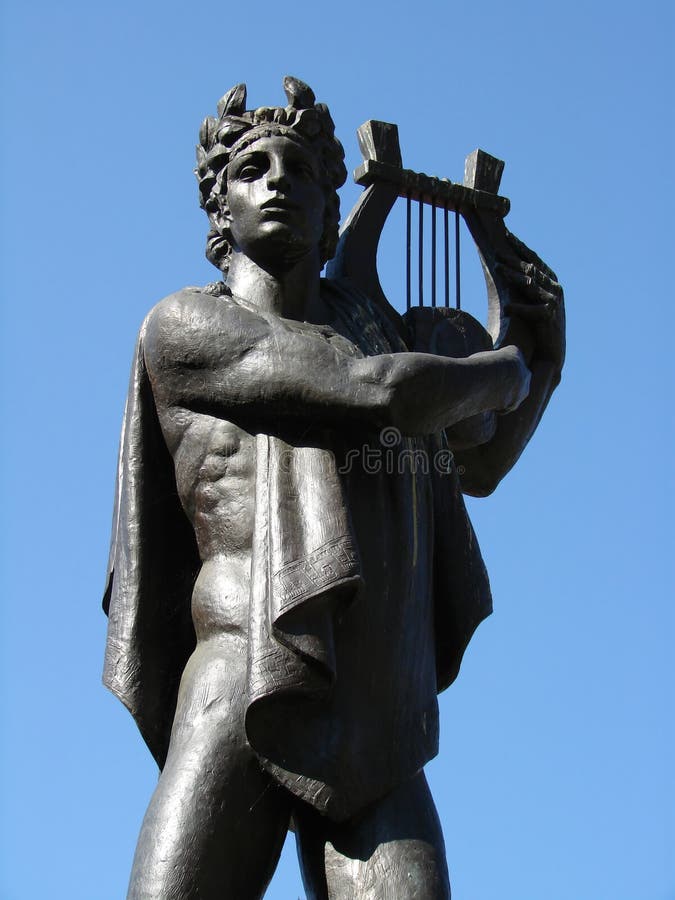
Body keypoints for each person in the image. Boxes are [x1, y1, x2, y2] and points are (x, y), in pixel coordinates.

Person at [103, 77, 564, 899]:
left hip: (374, 702)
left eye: (302, 172)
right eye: (252, 169)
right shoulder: (186, 326)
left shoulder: (372, 331)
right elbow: (377, 392)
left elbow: (478, 465)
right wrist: (503, 371)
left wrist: (544, 360)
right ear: (220, 208)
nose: (277, 181)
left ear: (328, 210)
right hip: (238, 678)